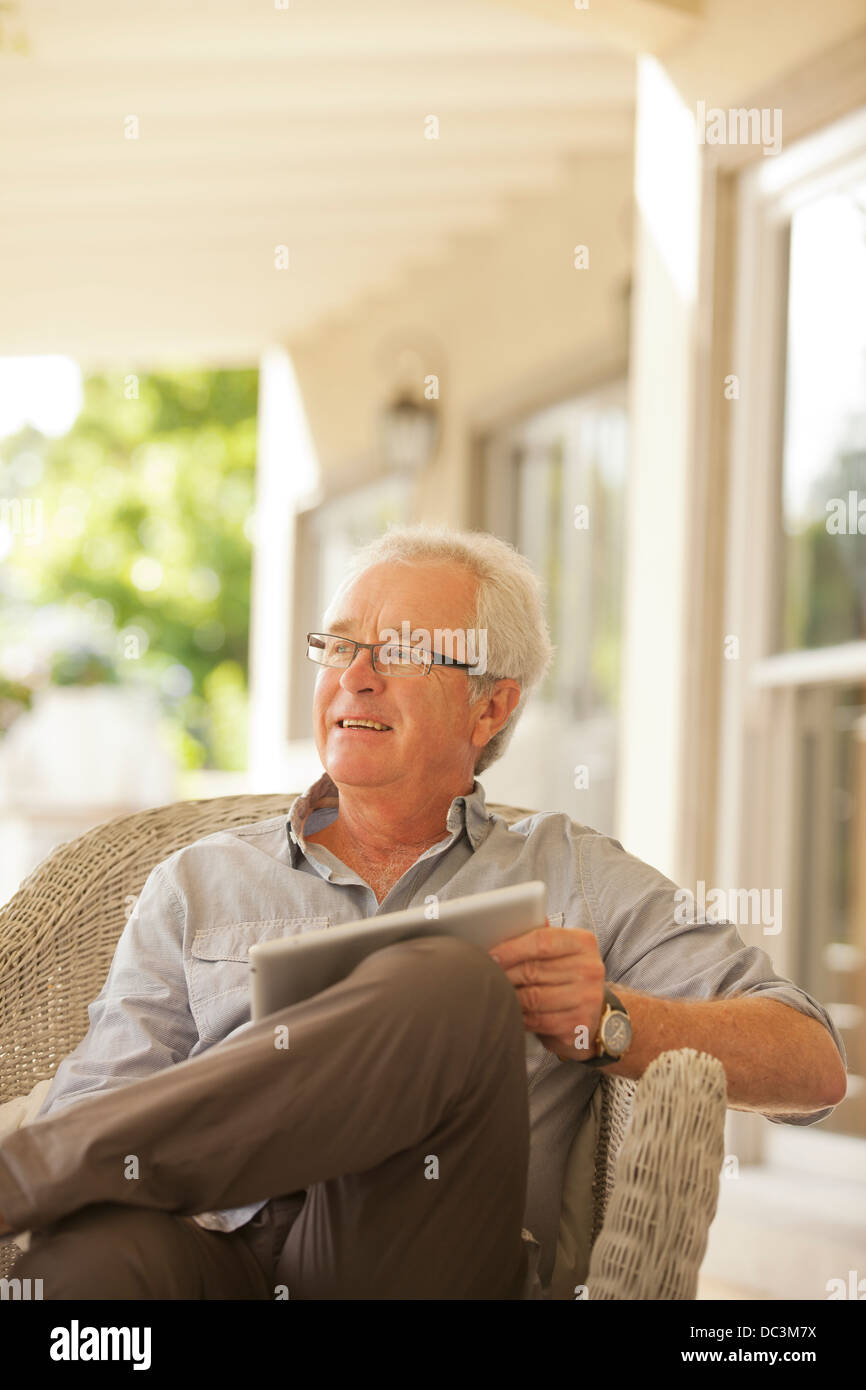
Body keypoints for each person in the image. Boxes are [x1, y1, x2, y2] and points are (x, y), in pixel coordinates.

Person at [0, 524, 847, 1300]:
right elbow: (101, 1100)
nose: (354, 676)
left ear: (491, 707)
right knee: (80, 1265)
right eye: (338, 644)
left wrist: (612, 1020)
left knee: (450, 978)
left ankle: (20, 1173)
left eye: (402, 651)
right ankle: (36, 1177)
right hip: (217, 1264)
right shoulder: (197, 882)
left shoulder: (574, 874)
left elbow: (813, 1064)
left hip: (413, 1260)